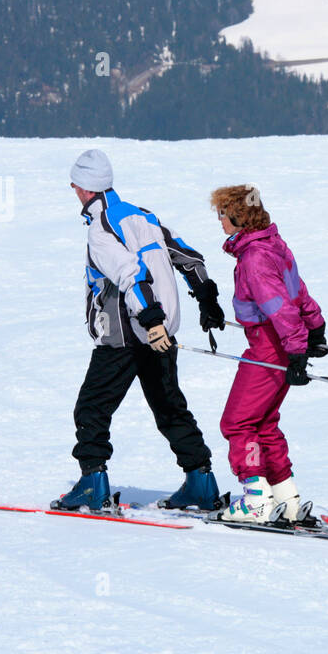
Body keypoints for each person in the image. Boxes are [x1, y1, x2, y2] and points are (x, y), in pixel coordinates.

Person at [51, 149, 227, 512]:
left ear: (84, 189)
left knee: (91, 409)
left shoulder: (102, 229)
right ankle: (200, 481)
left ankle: (92, 486)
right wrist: (207, 298)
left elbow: (131, 274)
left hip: (125, 336)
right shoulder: (142, 215)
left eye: (75, 185)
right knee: (169, 407)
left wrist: (150, 319)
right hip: (158, 334)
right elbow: (188, 257)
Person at [215, 185, 327, 523]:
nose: (219, 221)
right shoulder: (273, 244)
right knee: (263, 422)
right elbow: (298, 290)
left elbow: (278, 307)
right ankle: (286, 498)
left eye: (222, 214)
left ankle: (256, 500)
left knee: (237, 422)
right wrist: (315, 326)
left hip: (269, 344)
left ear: (238, 216)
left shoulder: (254, 257)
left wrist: (296, 352)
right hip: (279, 341)